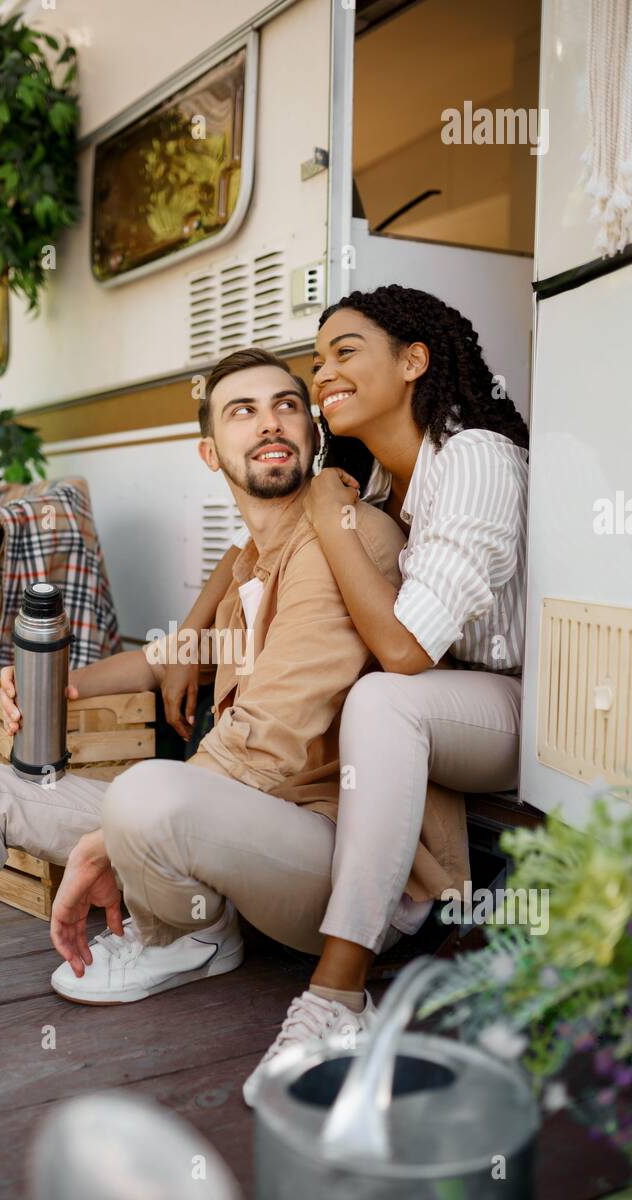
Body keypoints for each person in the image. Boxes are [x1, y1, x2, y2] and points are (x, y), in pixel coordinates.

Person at [0, 346, 466, 1098]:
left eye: (287, 405)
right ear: (211, 452)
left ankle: (190, 937)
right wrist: (62, 684)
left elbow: (270, 737)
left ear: (312, 428)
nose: (270, 423)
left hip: (337, 863)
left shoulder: (340, 537)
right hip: (236, 828)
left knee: (146, 798)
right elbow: (174, 655)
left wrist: (113, 839)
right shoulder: (248, 561)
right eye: (244, 410)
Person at [161, 286, 528, 1101]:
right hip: (444, 706)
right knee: (387, 704)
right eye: (317, 359)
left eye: (344, 351)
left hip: (519, 714)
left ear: (413, 361)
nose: (323, 373)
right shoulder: (388, 484)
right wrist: (189, 636)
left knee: (382, 699)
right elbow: (246, 553)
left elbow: (401, 650)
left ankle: (336, 992)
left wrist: (331, 514)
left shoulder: (473, 458)